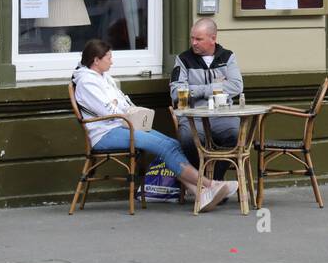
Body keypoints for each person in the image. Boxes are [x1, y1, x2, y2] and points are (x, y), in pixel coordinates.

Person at [72, 38, 231, 212]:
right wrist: (119, 106)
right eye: (108, 57)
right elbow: (108, 110)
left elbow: (123, 104)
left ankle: (199, 195)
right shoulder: (87, 82)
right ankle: (209, 184)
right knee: (165, 147)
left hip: (123, 126)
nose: (112, 61)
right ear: (96, 60)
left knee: (172, 144)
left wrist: (120, 105)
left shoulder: (104, 78)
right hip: (104, 133)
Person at [170, 18, 244, 178]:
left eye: (199, 39)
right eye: (192, 38)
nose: (194, 43)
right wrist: (215, 87)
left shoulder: (227, 57)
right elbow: (176, 92)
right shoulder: (183, 59)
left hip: (222, 114)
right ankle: (205, 182)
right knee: (189, 140)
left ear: (213, 38)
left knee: (235, 135)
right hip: (193, 115)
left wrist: (193, 89)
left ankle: (214, 182)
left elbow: (236, 86)